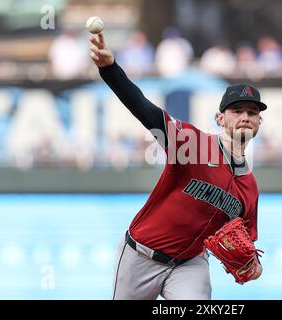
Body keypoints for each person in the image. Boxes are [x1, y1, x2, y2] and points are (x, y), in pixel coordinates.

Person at [89, 31, 266, 300]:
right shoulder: (191, 144)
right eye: (237, 110)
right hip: (141, 255)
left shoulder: (249, 187)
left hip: (190, 265)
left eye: (252, 113)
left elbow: (248, 247)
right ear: (220, 118)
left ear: (259, 123)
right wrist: (109, 69)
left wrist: (255, 268)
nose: (245, 117)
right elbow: (144, 110)